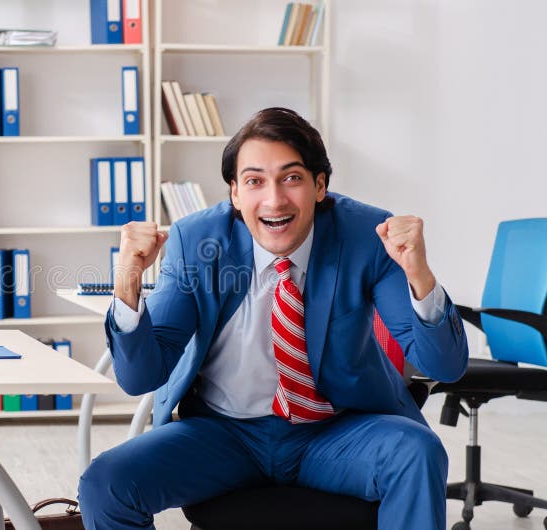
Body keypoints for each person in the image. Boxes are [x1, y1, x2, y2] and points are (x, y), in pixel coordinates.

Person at [78, 107, 469, 530]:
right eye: (254, 181)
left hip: (335, 431)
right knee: (108, 482)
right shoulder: (196, 241)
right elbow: (140, 377)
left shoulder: (368, 235)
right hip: (224, 435)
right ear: (234, 194)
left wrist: (419, 273)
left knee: (417, 452)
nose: (274, 199)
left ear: (320, 186)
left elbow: (444, 366)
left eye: (292, 178)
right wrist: (128, 279)